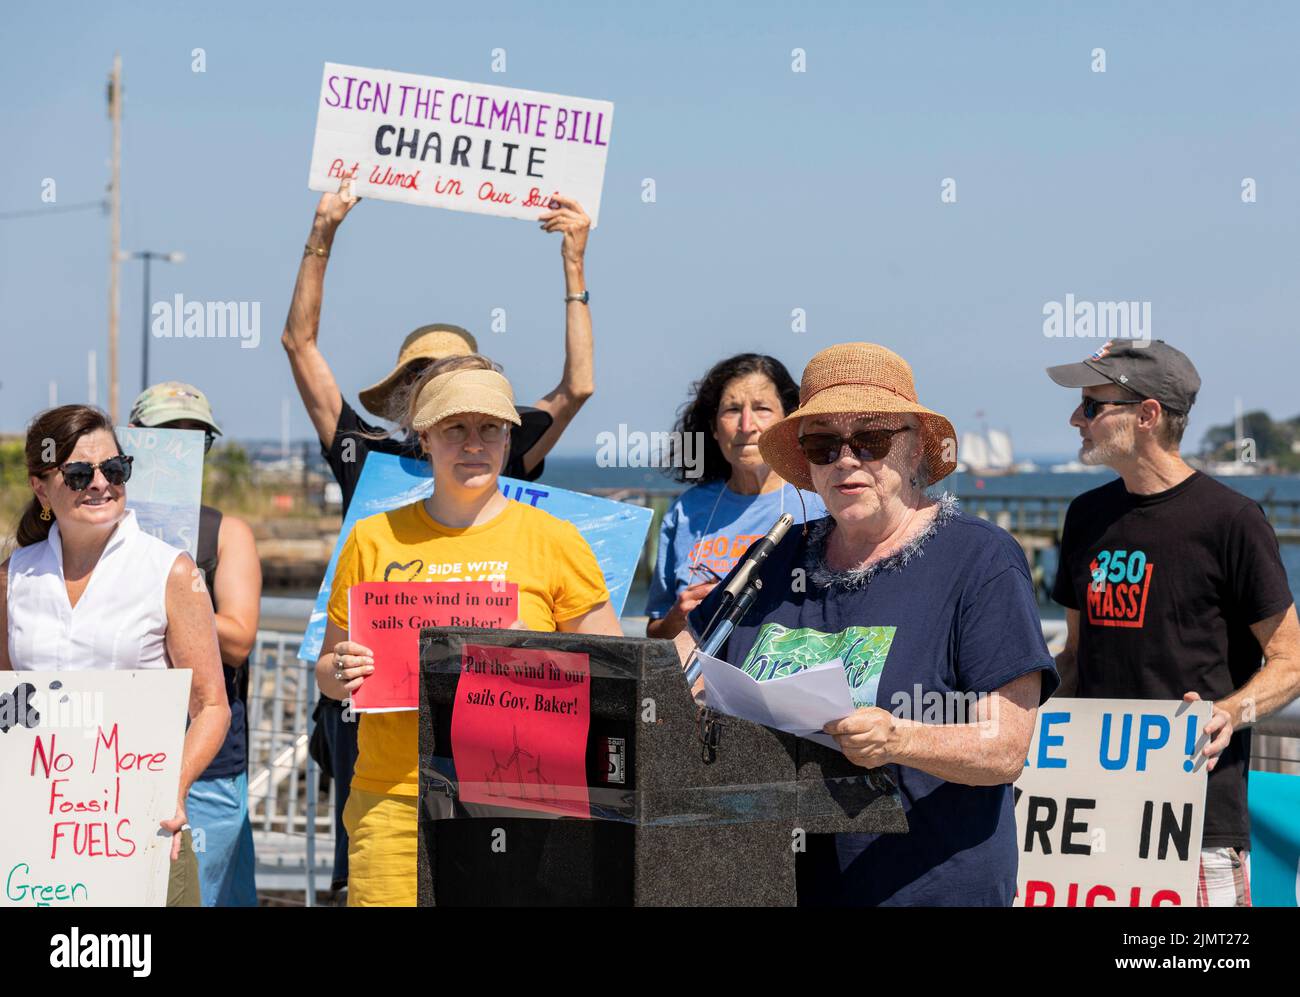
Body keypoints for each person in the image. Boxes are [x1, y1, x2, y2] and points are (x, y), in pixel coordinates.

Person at [281, 177, 598, 897]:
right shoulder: (361, 452)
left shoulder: (501, 460)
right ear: (412, 406)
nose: (468, 429)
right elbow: (298, 343)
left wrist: (575, 265)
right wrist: (323, 232)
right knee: (364, 867)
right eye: (429, 382)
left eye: (465, 382)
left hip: (502, 777)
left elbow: (576, 387)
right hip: (381, 743)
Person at [685, 343, 1059, 906]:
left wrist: (899, 738)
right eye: (823, 444)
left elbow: (1005, 749)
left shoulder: (979, 560)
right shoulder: (776, 555)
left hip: (926, 890)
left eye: (870, 441)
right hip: (776, 884)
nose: (845, 459)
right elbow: (684, 661)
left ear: (915, 448)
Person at [314, 357, 623, 906]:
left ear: (508, 438)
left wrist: (541, 653)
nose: (474, 444)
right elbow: (327, 670)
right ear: (424, 438)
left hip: (521, 801)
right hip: (393, 798)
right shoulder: (371, 539)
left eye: (490, 428)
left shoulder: (556, 540)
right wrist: (342, 671)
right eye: (455, 428)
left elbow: (616, 672)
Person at [1046, 339, 1300, 907]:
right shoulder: (1085, 516)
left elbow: (1291, 660)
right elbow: (1076, 659)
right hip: (1088, 811)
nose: (1075, 420)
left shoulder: (1232, 520)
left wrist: (1230, 712)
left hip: (1196, 816)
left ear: (1147, 414)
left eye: (1091, 405)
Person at [0, 404, 230, 907]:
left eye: (115, 468)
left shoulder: (171, 571)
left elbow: (213, 705)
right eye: (79, 474)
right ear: (42, 488)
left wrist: (173, 787)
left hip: (142, 829)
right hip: (34, 835)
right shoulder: (13, 576)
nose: (101, 484)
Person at [129, 382, 262, 907]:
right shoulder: (98, 524)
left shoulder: (226, 533)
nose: (180, 450)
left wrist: (171, 596)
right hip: (114, 749)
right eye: (166, 435)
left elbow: (240, 639)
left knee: (205, 894)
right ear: (131, 440)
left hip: (205, 758)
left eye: (196, 439)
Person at [646, 354, 826, 639]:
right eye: (732, 410)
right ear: (714, 428)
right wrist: (677, 618)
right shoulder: (686, 512)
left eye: (762, 408)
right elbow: (655, 633)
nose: (746, 425)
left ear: (788, 421)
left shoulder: (820, 504)